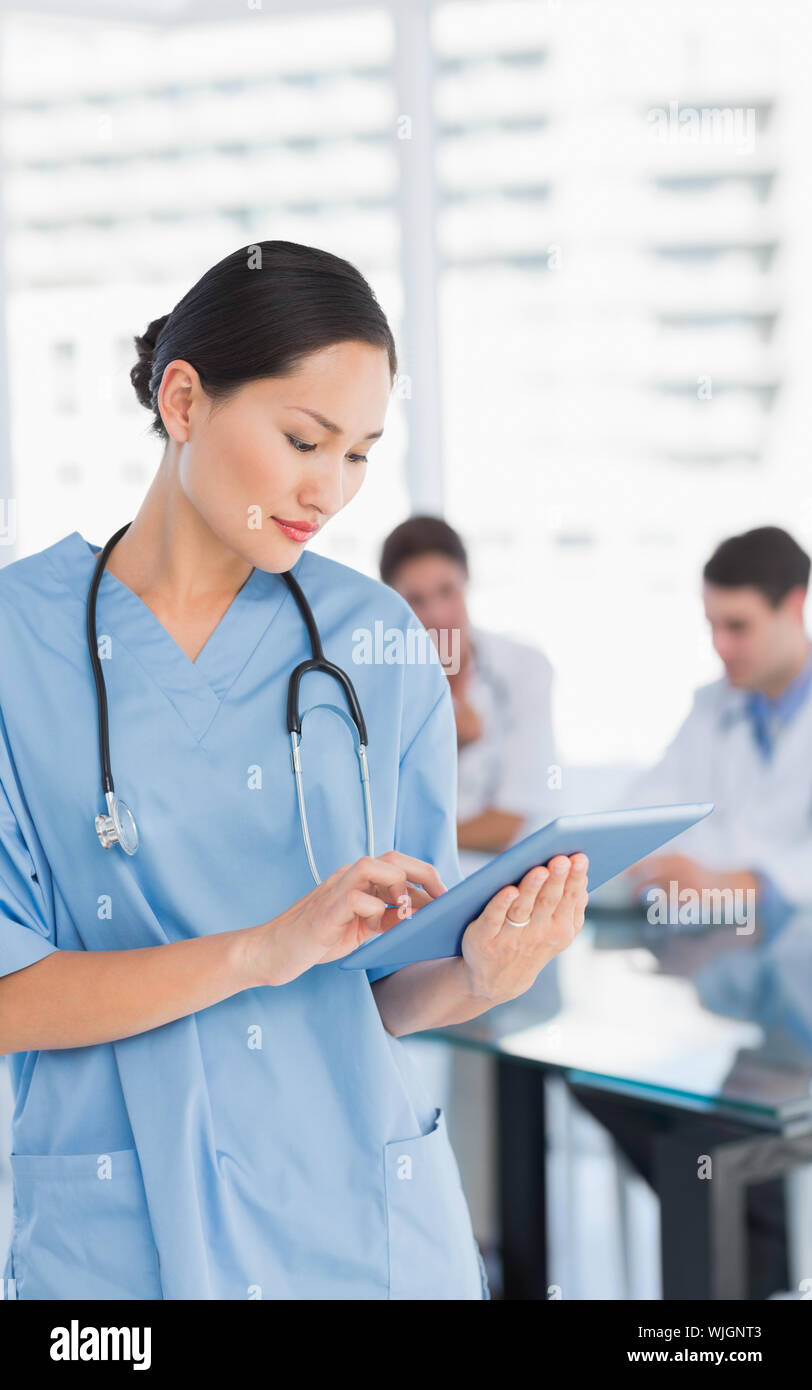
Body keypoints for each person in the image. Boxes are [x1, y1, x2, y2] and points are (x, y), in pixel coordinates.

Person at [0, 240, 589, 1301]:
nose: (331, 490)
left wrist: (479, 975)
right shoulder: (15, 643)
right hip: (119, 1241)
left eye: (359, 453)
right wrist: (261, 950)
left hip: (361, 1230)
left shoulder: (377, 643)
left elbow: (381, 987)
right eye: (302, 438)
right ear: (183, 400)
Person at [625, 526, 812, 912]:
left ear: (794, 607)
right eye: (712, 625)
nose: (720, 647)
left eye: (738, 626)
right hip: (713, 945)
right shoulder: (713, 706)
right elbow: (643, 814)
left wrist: (739, 885)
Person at [380, 516, 558, 869]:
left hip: (511, 877)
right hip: (416, 884)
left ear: (467, 582)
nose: (437, 614)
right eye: (416, 599)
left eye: (447, 591)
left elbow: (510, 822)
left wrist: (414, 839)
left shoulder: (524, 669)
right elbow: (371, 815)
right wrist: (447, 742)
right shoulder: (378, 685)